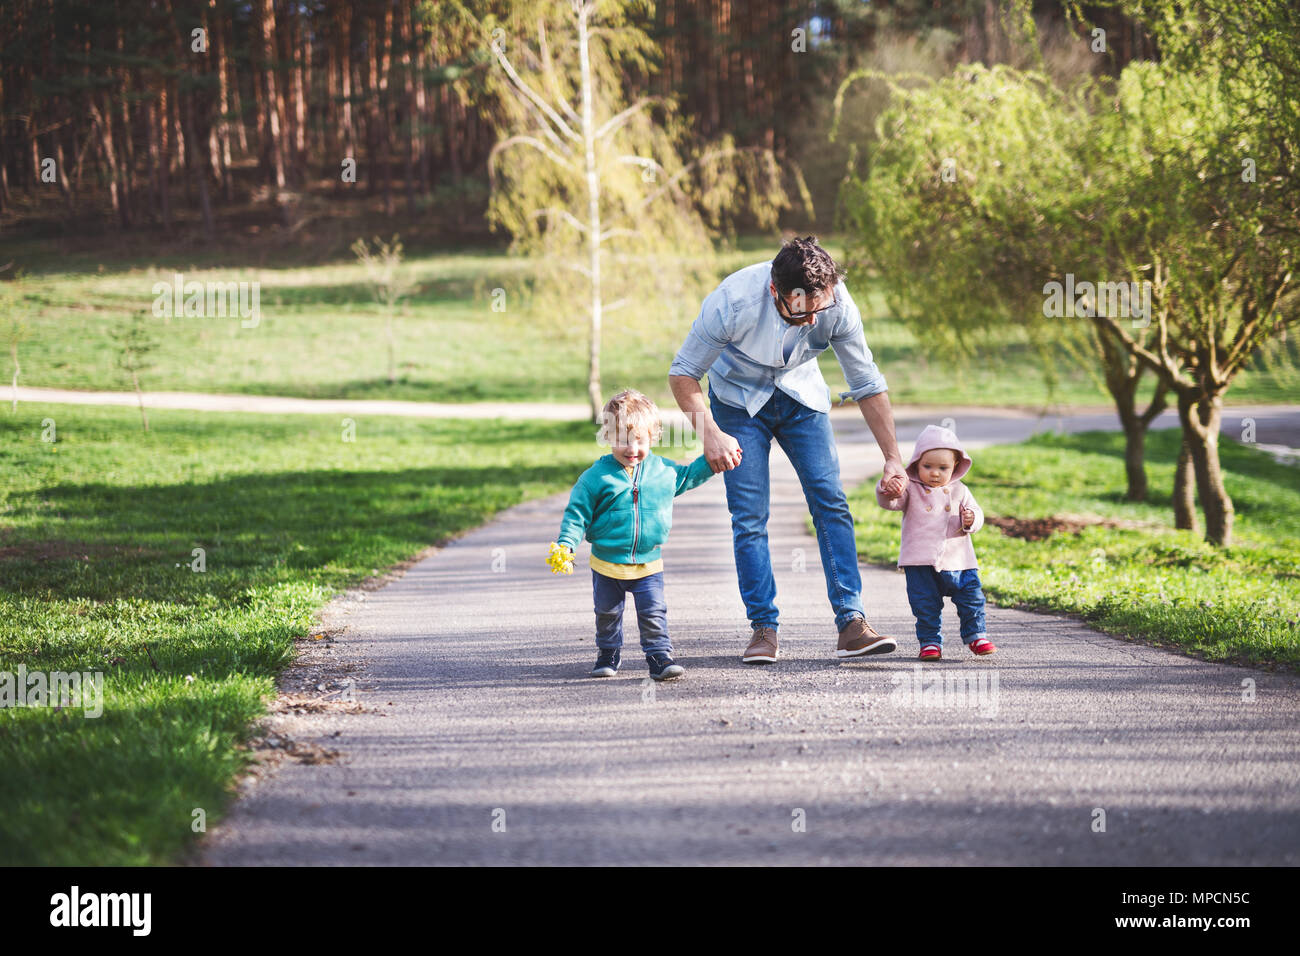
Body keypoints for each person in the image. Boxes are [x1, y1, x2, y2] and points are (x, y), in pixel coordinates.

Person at [668, 236, 908, 663]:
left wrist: (893, 458)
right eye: (802, 312)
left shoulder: (837, 304)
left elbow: (867, 382)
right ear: (775, 290)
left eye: (820, 309)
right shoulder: (732, 302)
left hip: (802, 398)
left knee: (830, 501)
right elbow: (683, 372)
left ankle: (852, 623)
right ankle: (763, 627)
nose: (813, 320)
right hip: (738, 403)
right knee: (749, 515)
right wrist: (710, 434)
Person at [547, 389, 719, 680]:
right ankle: (608, 654)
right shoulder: (596, 477)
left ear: (653, 438)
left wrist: (714, 459)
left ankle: (659, 657)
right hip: (607, 563)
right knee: (607, 613)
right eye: (622, 440)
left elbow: (689, 475)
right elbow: (577, 514)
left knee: (653, 613)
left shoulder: (662, 471)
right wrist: (566, 544)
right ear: (607, 436)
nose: (632, 449)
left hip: (648, 563)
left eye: (640, 440)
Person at [875, 423, 997, 660]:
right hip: (919, 561)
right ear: (916, 464)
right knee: (925, 605)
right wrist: (889, 490)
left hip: (959, 561)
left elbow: (977, 513)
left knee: (971, 599)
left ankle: (976, 635)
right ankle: (930, 642)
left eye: (943, 468)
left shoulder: (960, 490)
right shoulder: (911, 489)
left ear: (955, 466)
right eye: (927, 466)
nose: (934, 473)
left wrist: (972, 519)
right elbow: (891, 503)